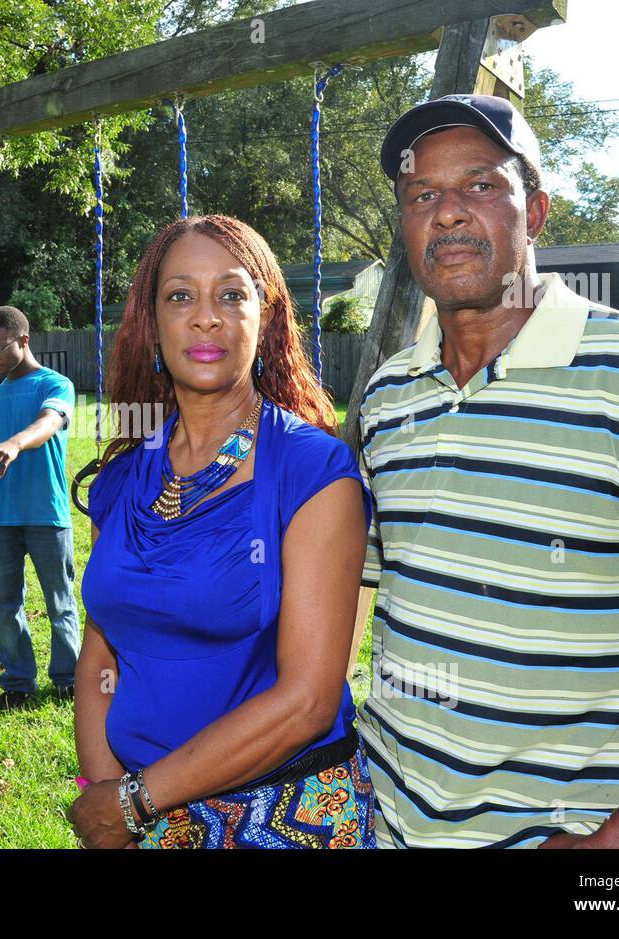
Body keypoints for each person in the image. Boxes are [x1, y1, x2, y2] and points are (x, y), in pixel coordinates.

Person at [357, 94, 619, 848]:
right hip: (387, 823)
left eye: (480, 185)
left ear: (535, 211)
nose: (446, 213)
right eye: (421, 195)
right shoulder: (389, 395)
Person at [66, 215, 375, 849]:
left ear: (266, 319)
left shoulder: (314, 473)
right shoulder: (122, 479)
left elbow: (307, 702)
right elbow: (101, 653)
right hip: (139, 816)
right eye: (181, 295)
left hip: (289, 811)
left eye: (232, 295)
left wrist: (131, 802)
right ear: (154, 323)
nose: (206, 317)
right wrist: (108, 805)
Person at [0, 305, 80, 711]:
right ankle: (18, 684)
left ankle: (68, 681)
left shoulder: (56, 384)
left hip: (45, 515)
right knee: (6, 607)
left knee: (60, 602)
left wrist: (16, 442)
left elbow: (50, 421)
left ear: (24, 341)